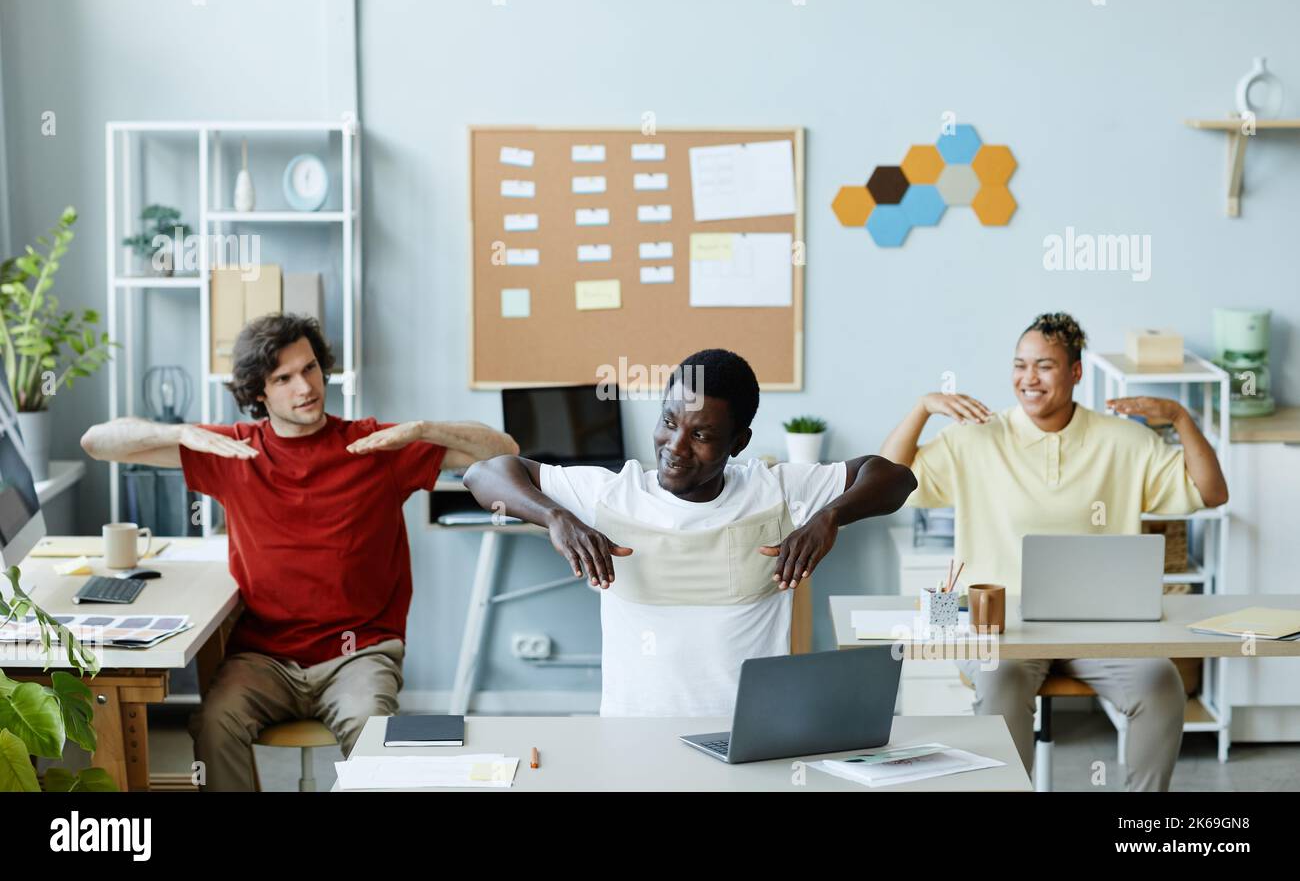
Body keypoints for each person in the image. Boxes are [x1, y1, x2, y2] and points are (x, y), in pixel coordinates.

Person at [80, 313, 518, 790]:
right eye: (283, 378)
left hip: (359, 654)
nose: (304, 387)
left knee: (374, 735)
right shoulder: (233, 452)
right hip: (264, 658)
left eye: (309, 369)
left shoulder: (374, 444)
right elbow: (97, 443)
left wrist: (423, 428)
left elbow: (503, 447)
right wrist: (178, 433)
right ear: (259, 392)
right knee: (214, 723)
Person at [879, 312, 1228, 791]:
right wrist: (922, 407)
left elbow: (1211, 493)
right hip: (1001, 629)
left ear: (1076, 373)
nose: (1029, 378)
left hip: (1103, 627)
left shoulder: (1124, 440)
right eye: (1020, 365)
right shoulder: (976, 437)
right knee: (999, 682)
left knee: (1161, 684)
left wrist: (1181, 418)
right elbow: (886, 482)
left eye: (1044, 366)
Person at [464, 348, 916, 717]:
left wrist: (828, 517)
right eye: (668, 421)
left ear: (738, 442)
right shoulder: (611, 494)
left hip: (749, 732)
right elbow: (484, 474)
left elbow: (895, 478)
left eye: (701, 435)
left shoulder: (776, 491)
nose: (675, 447)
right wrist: (556, 517)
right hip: (632, 735)